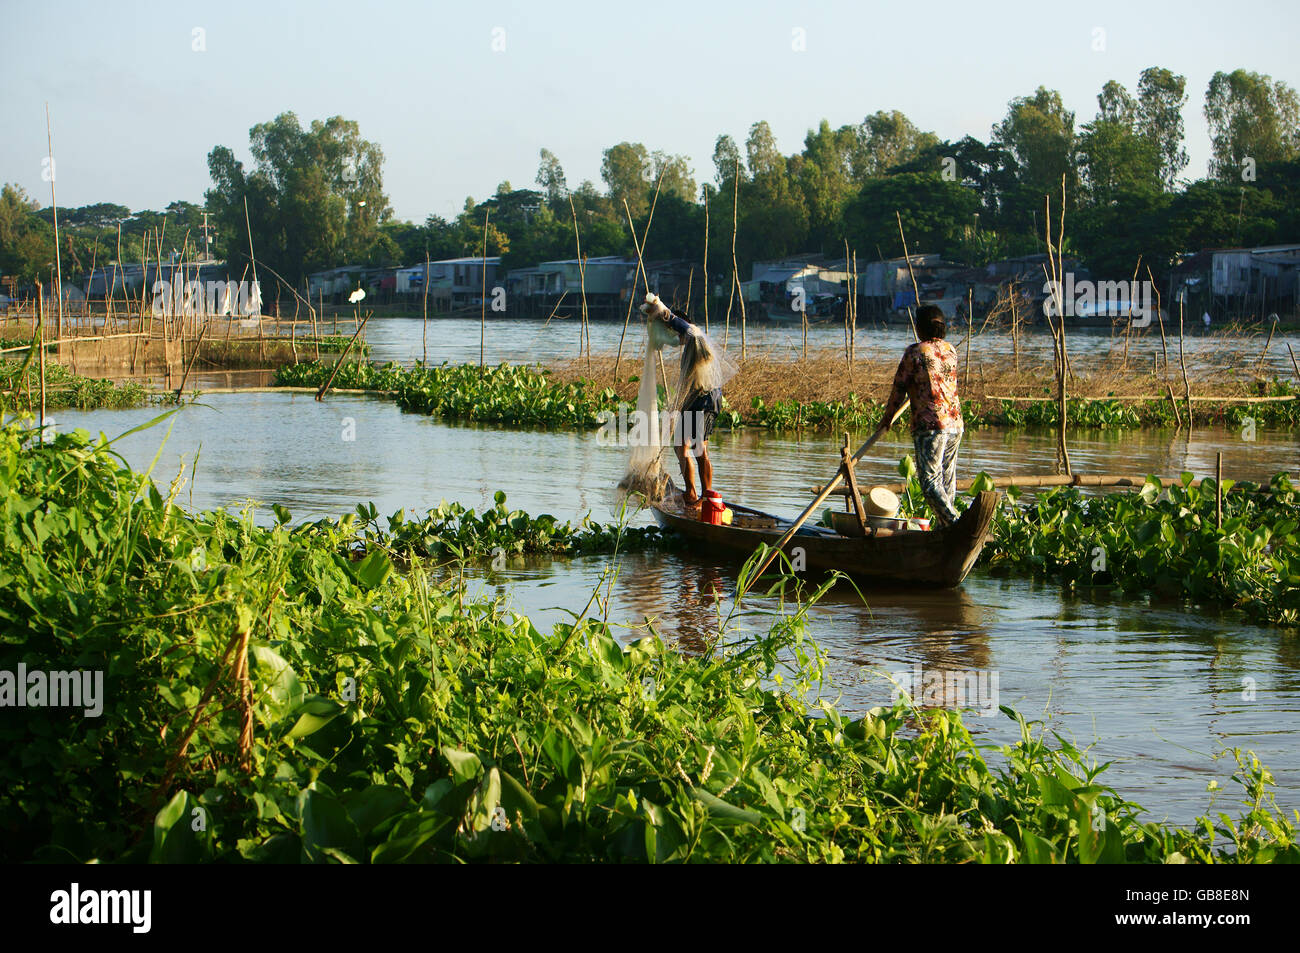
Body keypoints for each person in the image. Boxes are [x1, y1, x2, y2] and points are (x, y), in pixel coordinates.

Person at [876, 304, 965, 526]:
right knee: (946, 480)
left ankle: (955, 523)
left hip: (930, 425)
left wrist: (887, 419)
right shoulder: (950, 350)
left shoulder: (915, 352)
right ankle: (946, 528)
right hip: (955, 424)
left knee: (929, 482)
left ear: (920, 327)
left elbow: (899, 388)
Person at [642, 297, 724, 506]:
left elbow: (679, 324)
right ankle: (690, 493)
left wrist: (660, 310)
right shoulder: (690, 346)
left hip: (706, 400)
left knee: (699, 448)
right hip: (692, 400)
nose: (675, 338)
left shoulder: (694, 335)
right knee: (680, 446)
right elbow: (687, 380)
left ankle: (707, 497)